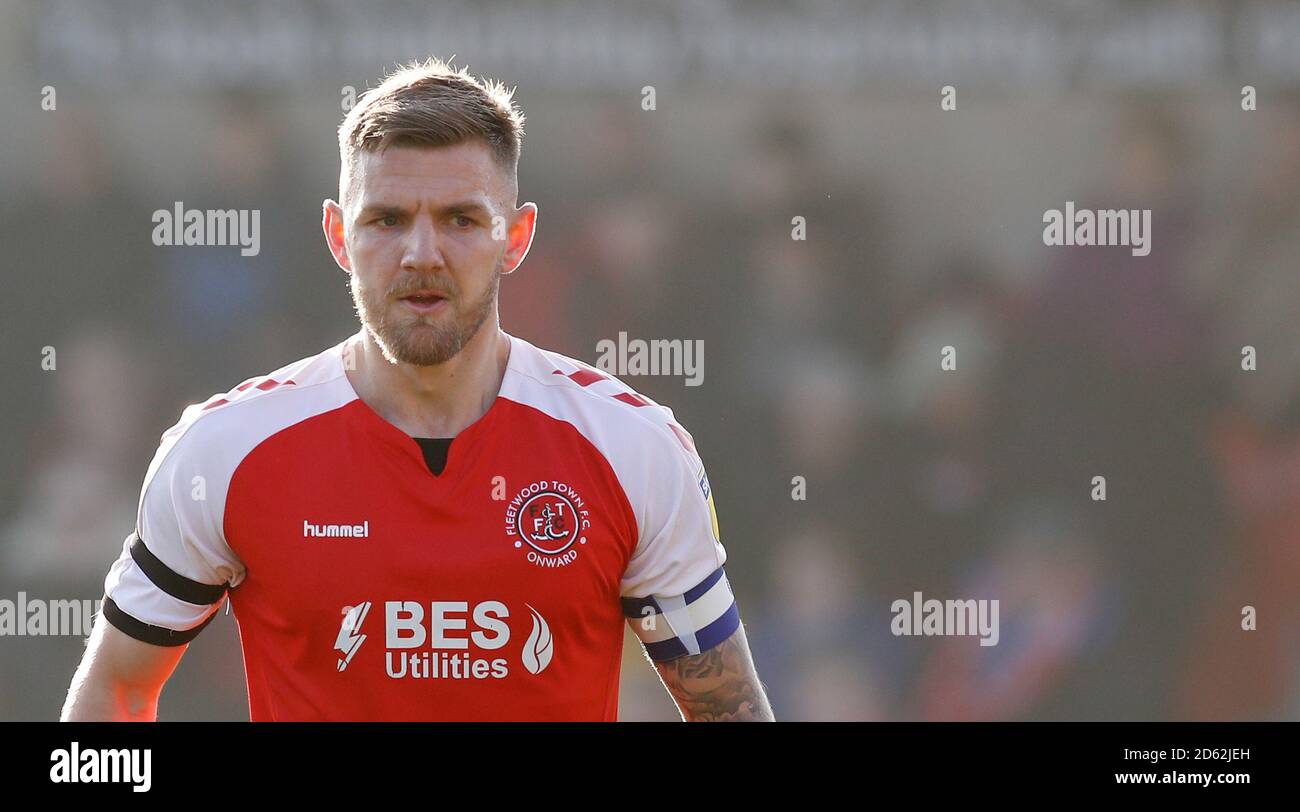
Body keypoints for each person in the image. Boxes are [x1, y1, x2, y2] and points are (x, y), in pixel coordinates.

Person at [61, 58, 773, 722]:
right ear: (339, 237)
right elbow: (117, 691)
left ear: (517, 238)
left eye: (461, 220)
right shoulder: (221, 452)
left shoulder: (634, 451)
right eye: (387, 220)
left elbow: (730, 712)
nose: (422, 254)